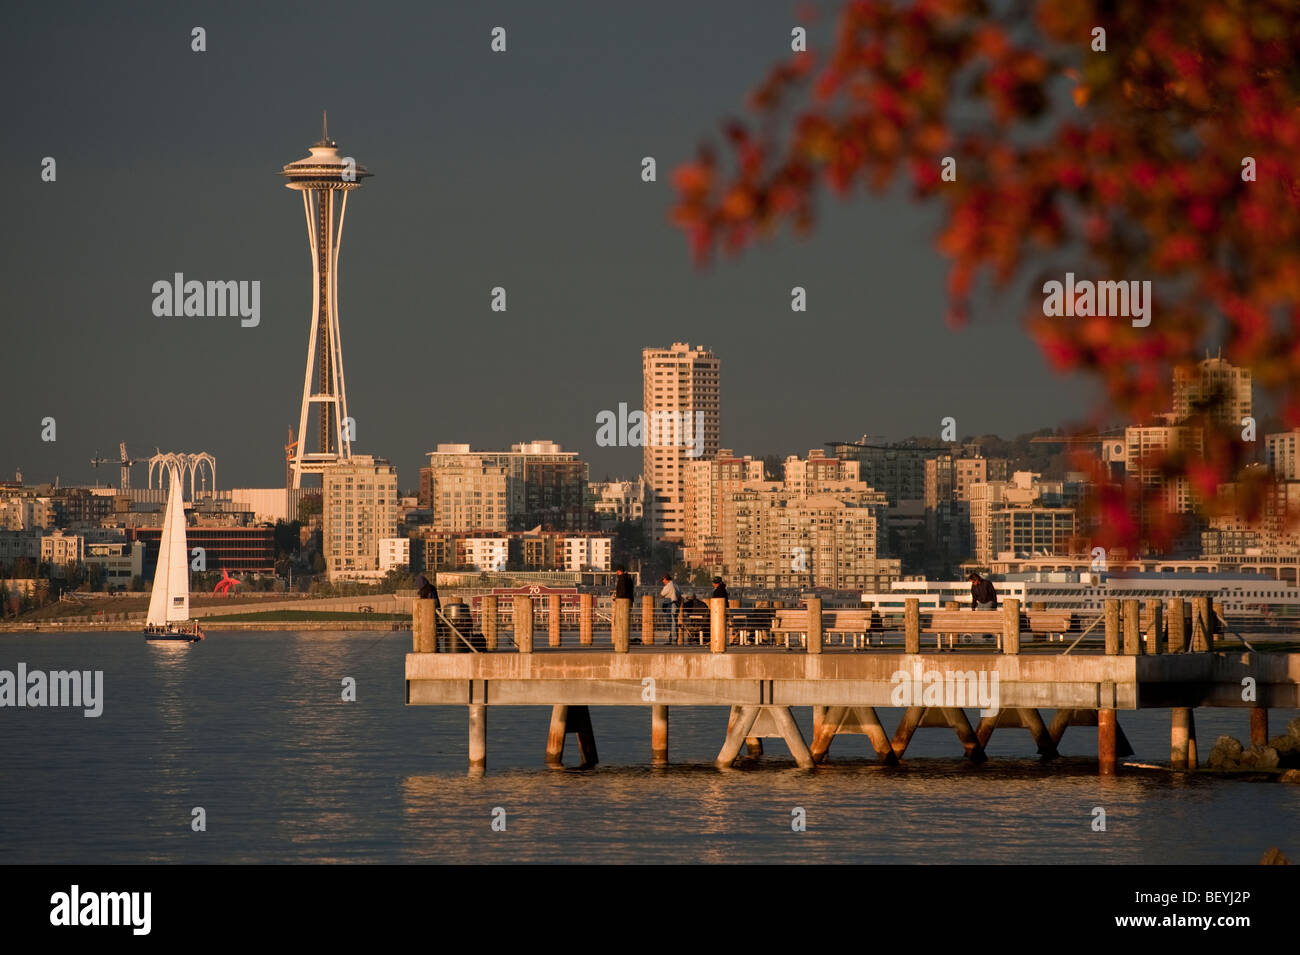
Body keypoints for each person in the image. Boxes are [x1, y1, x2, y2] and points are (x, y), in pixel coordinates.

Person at [660, 574, 683, 642]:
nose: (662, 581)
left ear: (666, 579)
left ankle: (673, 638)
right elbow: (680, 594)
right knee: (674, 621)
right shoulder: (676, 585)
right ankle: (673, 637)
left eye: (663, 580)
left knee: (671, 621)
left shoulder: (668, 586)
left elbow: (661, 595)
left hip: (671, 604)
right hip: (676, 605)